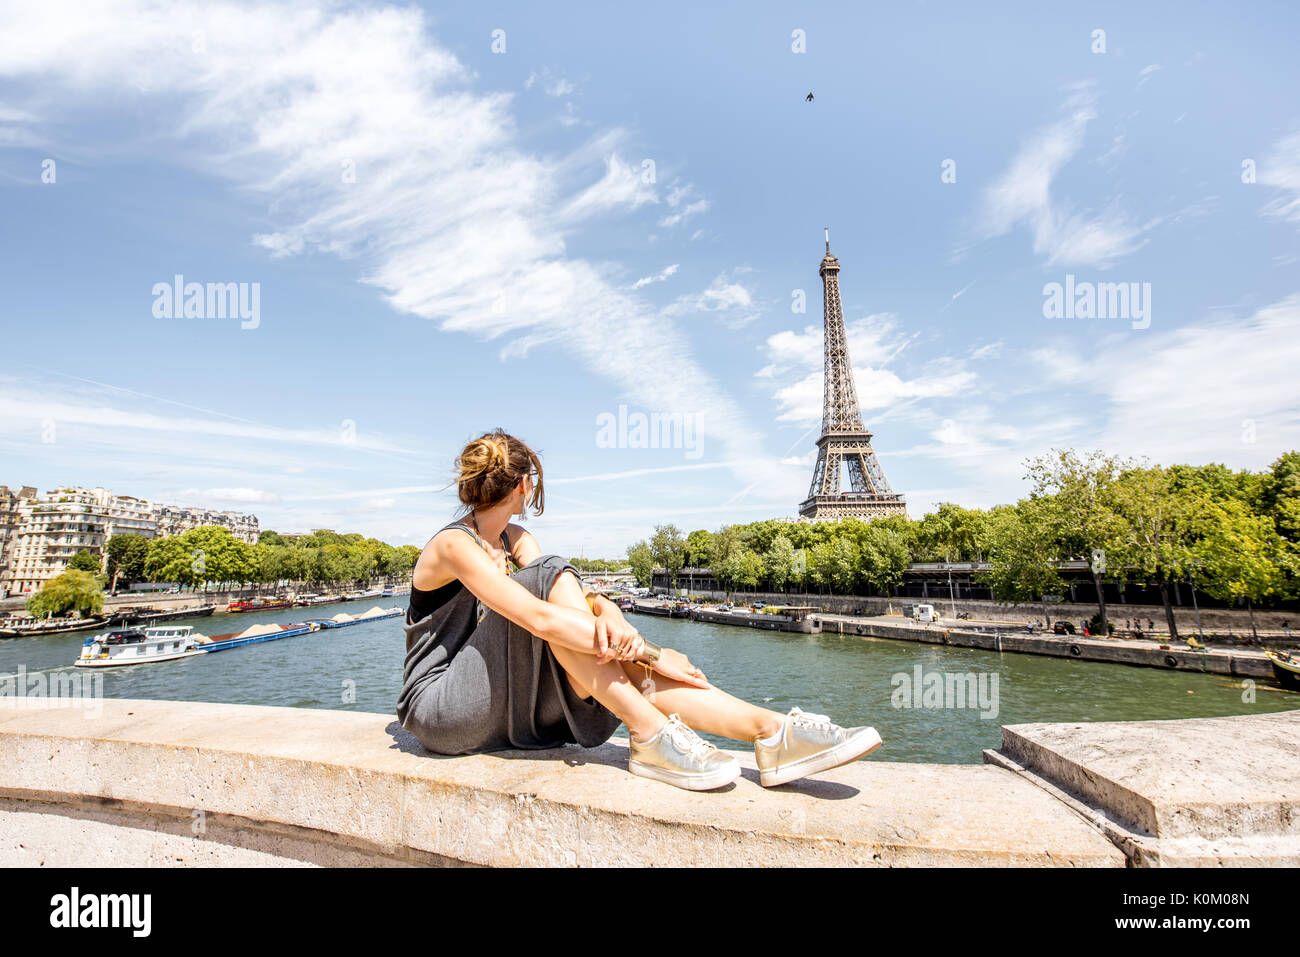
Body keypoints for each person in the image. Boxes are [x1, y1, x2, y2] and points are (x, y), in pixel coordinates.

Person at [397, 430, 881, 792]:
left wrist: (605, 606)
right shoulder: (453, 545)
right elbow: (541, 615)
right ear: (526, 483)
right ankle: (649, 732)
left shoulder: (514, 541)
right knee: (555, 586)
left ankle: (770, 733)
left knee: (587, 633)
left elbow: (567, 600)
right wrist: (651, 650)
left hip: (497, 701)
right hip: (441, 708)